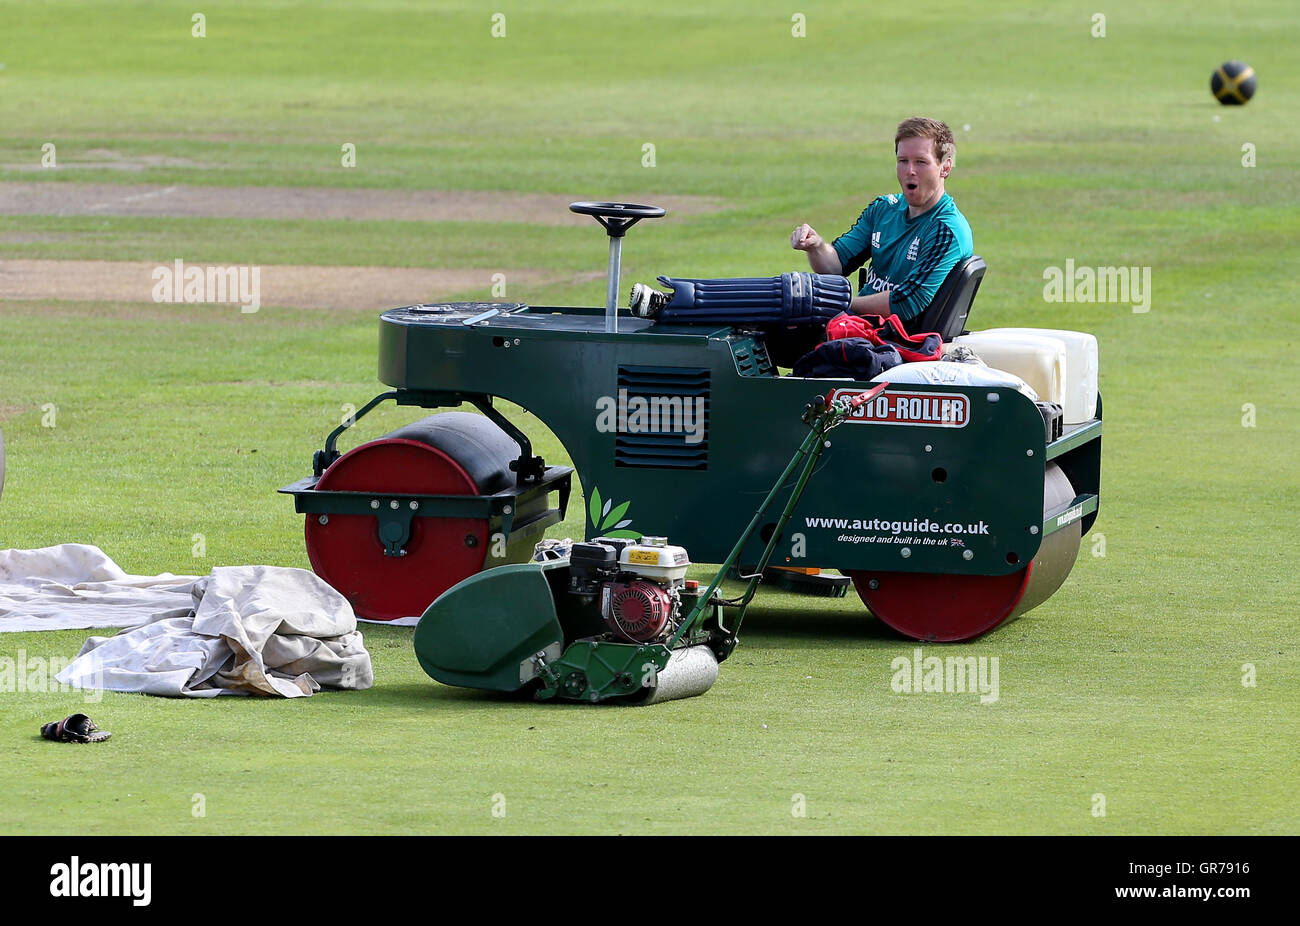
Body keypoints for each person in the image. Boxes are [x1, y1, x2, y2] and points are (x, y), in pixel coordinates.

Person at [791, 117, 973, 323]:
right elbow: (836, 266)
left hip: (890, 340)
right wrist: (816, 247)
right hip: (856, 325)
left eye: (921, 162)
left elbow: (906, 303)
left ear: (945, 167)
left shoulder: (946, 230)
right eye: (903, 161)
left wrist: (840, 302)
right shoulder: (883, 209)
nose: (909, 171)